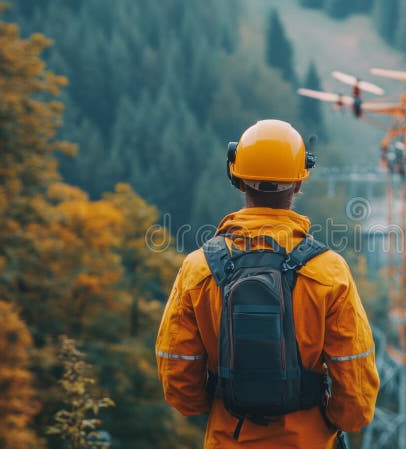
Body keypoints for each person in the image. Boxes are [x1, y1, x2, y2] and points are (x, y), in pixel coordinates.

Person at [155, 119, 379, 448]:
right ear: (299, 184)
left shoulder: (198, 268)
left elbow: (180, 386)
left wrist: (222, 402)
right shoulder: (329, 272)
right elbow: (356, 403)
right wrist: (326, 419)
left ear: (237, 178)